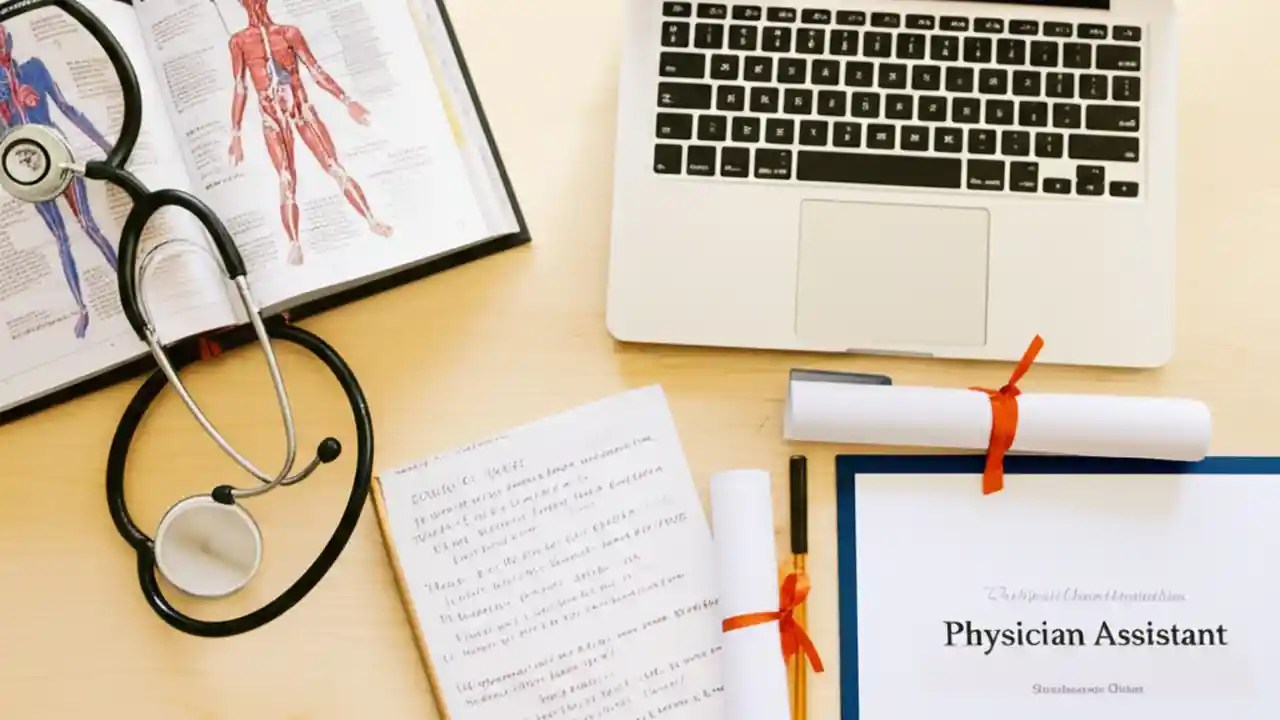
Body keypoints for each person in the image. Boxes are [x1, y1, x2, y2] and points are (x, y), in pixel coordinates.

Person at [227, 0, 392, 267]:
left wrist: (347, 101)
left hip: (301, 109)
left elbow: (315, 70)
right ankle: (294, 244)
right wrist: (235, 133)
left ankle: (371, 220)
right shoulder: (238, 42)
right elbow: (240, 87)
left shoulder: (288, 33)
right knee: (285, 179)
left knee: (334, 167)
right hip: (272, 118)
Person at [0, 26, 117, 339]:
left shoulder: (34, 69)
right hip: (26, 169)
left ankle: (124, 278)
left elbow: (66, 108)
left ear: (9, 40)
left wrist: (108, 148)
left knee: (88, 224)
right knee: (60, 236)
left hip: (60, 156)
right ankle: (82, 308)